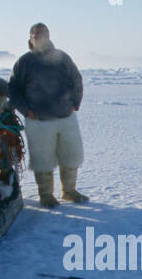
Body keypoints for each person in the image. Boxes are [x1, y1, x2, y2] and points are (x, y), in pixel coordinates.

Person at [8, 23, 87, 207]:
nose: (39, 37)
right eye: (35, 35)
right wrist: (26, 110)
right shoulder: (24, 62)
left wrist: (75, 103)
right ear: (30, 39)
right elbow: (13, 88)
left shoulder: (62, 58)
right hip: (39, 120)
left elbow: (76, 80)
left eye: (42, 34)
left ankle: (69, 191)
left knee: (71, 156)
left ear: (49, 36)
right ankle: (46, 195)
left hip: (65, 117)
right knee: (43, 159)